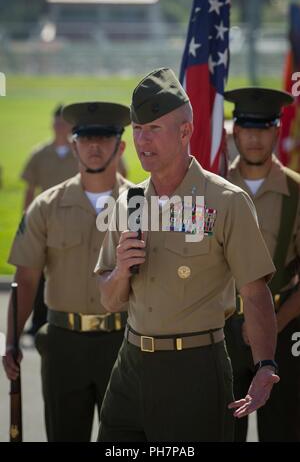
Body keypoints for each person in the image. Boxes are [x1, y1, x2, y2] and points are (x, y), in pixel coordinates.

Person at [94, 68, 279, 442]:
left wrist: (265, 364)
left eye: (154, 129)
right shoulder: (128, 203)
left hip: (193, 370)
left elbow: (256, 293)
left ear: (184, 131)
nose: (142, 140)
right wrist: (122, 272)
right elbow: (110, 300)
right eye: (137, 129)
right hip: (130, 367)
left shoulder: (226, 202)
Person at [2, 101, 133, 442]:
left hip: (125, 343)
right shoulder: (46, 206)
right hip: (64, 345)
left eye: (104, 138)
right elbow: (26, 279)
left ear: (120, 145)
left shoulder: (140, 204)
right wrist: (12, 339)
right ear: (73, 144)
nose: (94, 146)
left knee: (126, 442)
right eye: (86, 137)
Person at [224, 87, 300, 442]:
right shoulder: (214, 188)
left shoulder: (296, 192)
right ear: (234, 130)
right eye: (247, 128)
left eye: (263, 128)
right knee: (223, 430)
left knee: (282, 429)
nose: (254, 137)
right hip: (222, 330)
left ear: (277, 131)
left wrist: (271, 324)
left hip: (283, 328)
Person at [21, 104, 78, 335]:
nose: (60, 127)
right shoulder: (40, 154)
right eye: (57, 122)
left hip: (75, 222)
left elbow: (118, 174)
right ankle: (38, 321)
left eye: (64, 122)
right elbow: (29, 189)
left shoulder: (82, 151)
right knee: (39, 271)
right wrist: (27, 220)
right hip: (45, 222)